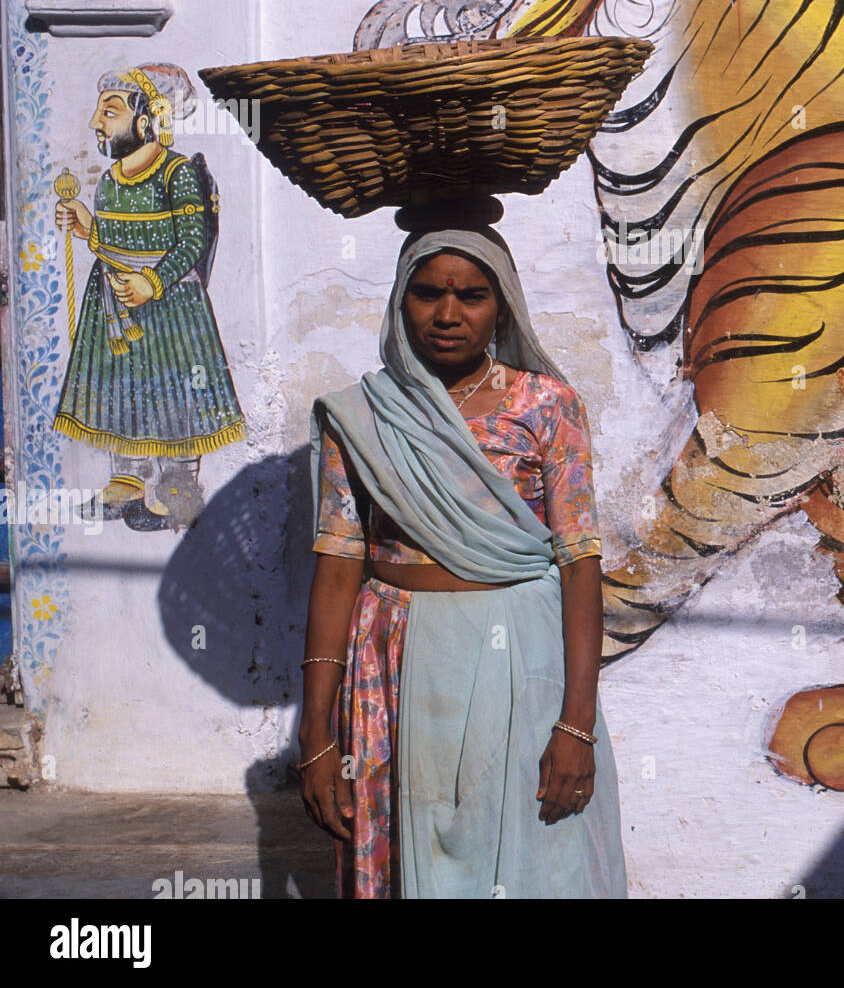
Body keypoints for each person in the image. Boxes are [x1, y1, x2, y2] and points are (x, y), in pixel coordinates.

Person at [299, 211, 626, 898]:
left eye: (471, 295)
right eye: (428, 292)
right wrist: (316, 731)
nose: (447, 313)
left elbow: (579, 561)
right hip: (389, 656)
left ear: (500, 304)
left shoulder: (548, 404)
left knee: (525, 851)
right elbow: (336, 569)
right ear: (400, 299)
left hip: (519, 659)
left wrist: (577, 722)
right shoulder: (361, 413)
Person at [52, 64, 244, 530]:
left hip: (169, 306)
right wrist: (86, 230)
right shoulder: (112, 180)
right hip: (114, 301)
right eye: (100, 111)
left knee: (174, 390)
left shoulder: (176, 174)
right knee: (120, 387)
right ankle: (128, 476)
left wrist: (151, 283)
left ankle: (178, 483)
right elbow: (115, 239)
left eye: (110, 111)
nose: (97, 122)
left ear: (145, 120)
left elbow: (192, 243)